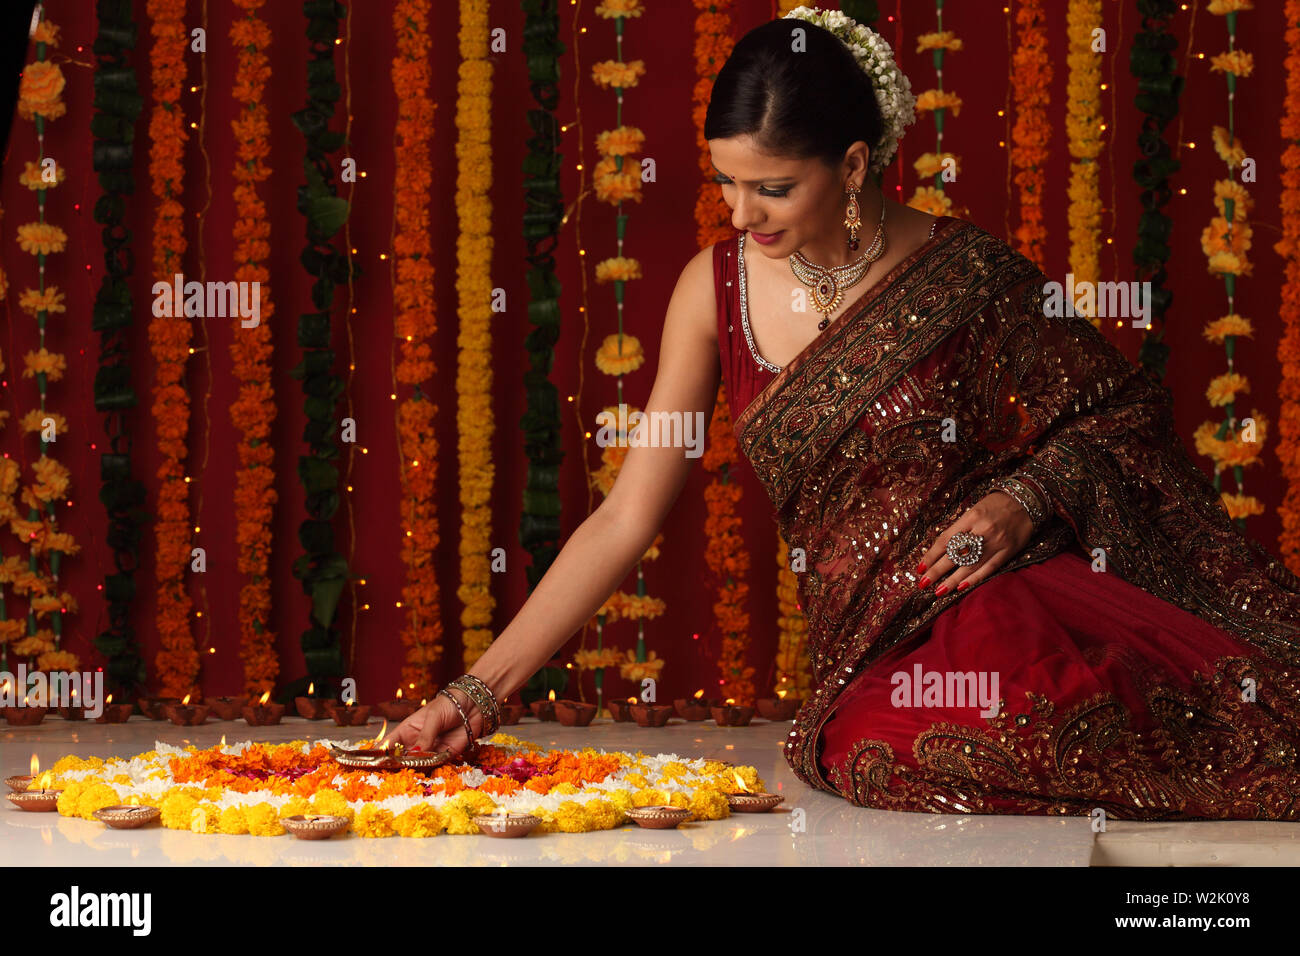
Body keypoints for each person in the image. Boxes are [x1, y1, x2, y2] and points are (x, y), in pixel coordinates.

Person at [385, 8, 1300, 819]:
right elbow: (626, 516)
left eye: (772, 188)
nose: (742, 213)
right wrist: (475, 697)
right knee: (868, 745)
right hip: (864, 651)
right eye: (726, 184)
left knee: (1056, 708)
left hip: (996, 598)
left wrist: (1027, 497)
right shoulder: (712, 293)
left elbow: (1121, 415)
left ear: (854, 163)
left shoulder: (966, 273)